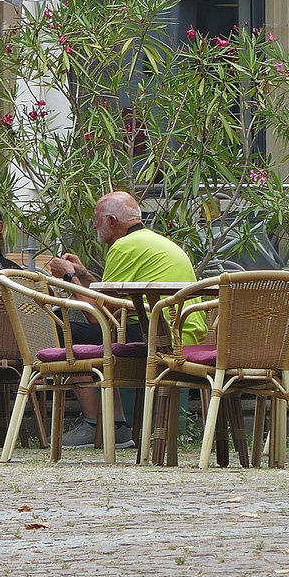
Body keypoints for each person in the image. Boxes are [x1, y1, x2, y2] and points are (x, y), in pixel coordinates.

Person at [48, 191, 205, 448]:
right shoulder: (149, 240)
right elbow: (111, 298)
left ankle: (97, 422)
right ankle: (117, 425)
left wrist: (68, 278)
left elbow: (99, 316)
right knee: (104, 336)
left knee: (57, 328)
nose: (94, 225)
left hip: (159, 336)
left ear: (112, 221)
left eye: (97, 219)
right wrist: (84, 274)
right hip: (181, 331)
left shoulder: (124, 247)